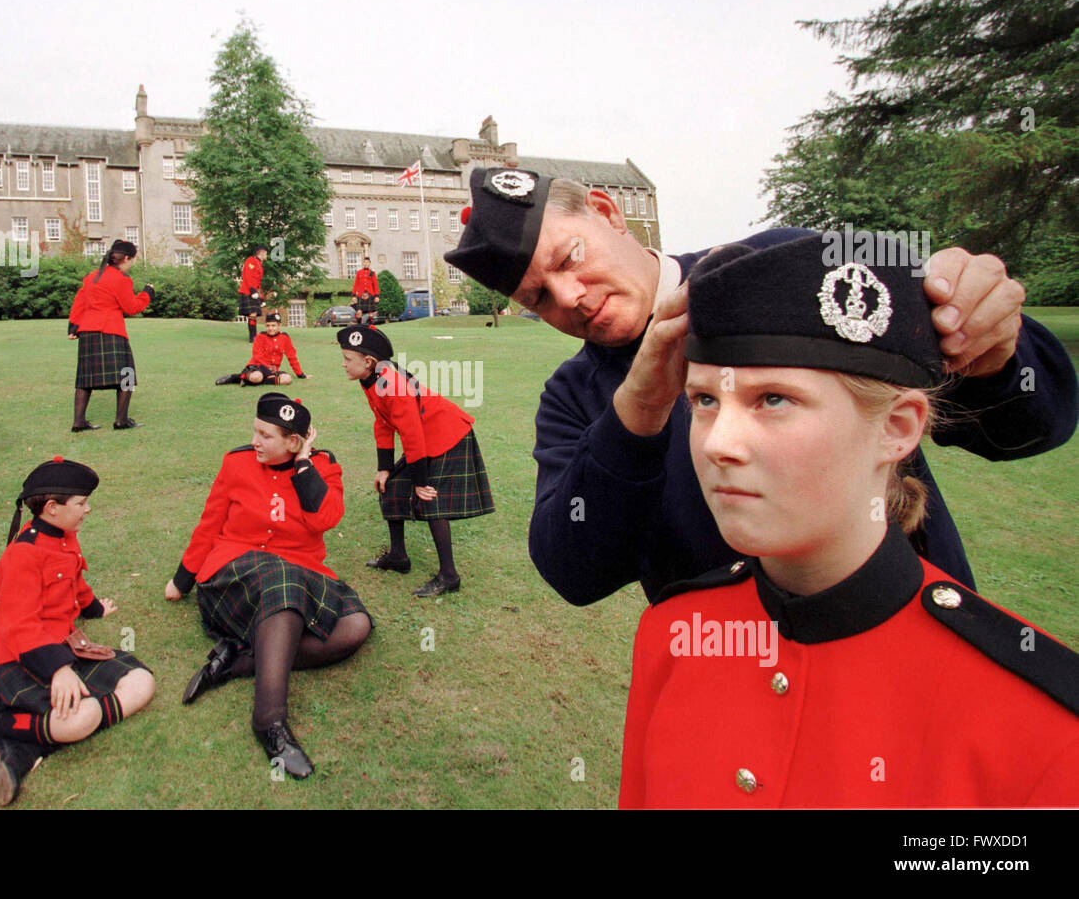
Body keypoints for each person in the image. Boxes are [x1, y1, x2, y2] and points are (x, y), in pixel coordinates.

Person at [444, 167, 1078, 605]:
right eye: (537, 298)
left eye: (567, 258)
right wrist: (637, 410)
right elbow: (572, 571)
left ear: (609, 214)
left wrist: (996, 350)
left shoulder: (787, 270)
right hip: (729, 689)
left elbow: (1028, 428)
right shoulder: (575, 396)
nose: (570, 299)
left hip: (907, 636)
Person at [618, 234, 1079, 808]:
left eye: (774, 399)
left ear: (898, 427)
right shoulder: (674, 635)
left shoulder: (1038, 721)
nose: (719, 443)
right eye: (705, 400)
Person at [0, 457, 155, 805]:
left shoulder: (63, 535)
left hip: (65, 648)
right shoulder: (21, 555)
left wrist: (95, 608)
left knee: (142, 683)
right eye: (82, 503)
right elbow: (18, 626)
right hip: (17, 657)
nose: (88, 510)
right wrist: (58, 671)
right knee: (79, 719)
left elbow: (74, 578)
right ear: (53, 508)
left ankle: (22, 741)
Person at [164, 394, 371, 779]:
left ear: (295, 441)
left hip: (300, 570)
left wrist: (304, 465)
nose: (255, 441)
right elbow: (209, 524)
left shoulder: (324, 468)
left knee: (356, 626)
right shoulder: (236, 462)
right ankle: (269, 720)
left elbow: (326, 518)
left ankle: (237, 660)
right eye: (255, 431)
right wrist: (182, 579)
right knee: (283, 579)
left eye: (266, 435)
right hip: (233, 573)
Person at [337, 325, 494, 597]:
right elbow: (382, 422)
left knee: (431, 500)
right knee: (392, 486)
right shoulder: (371, 379)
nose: (343, 364)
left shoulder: (393, 384)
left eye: (348, 359)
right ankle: (398, 557)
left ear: (368, 362)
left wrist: (421, 482)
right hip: (424, 438)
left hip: (449, 435)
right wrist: (384, 468)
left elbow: (412, 435)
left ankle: (449, 576)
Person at [67, 239, 153, 431]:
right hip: (111, 332)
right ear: (127, 258)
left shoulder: (90, 277)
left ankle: (78, 422)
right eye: (132, 261)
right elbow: (131, 307)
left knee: (85, 378)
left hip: (88, 333)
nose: (131, 265)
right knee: (127, 374)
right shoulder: (121, 280)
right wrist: (147, 294)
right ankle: (121, 420)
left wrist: (73, 327)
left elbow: (80, 302)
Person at [214, 311, 309, 386]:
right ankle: (236, 377)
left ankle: (248, 381)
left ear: (279, 326)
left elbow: (292, 357)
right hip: (257, 367)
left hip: (273, 371)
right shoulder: (260, 337)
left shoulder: (285, 338)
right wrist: (267, 371)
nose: (271, 328)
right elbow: (257, 356)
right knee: (257, 377)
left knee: (287, 379)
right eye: (268, 326)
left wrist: (301, 374)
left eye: (273, 325)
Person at [238, 245, 268, 343]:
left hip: (254, 291)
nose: (267, 256)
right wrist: (252, 291)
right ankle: (253, 337)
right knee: (252, 314)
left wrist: (261, 297)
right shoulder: (250, 261)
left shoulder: (259, 263)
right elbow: (248, 276)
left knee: (253, 314)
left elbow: (258, 282)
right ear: (261, 252)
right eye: (266, 253)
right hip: (248, 291)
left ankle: (253, 337)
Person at [351, 256, 380, 325]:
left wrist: (377, 296)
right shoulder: (359, 272)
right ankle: (359, 325)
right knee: (359, 313)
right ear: (363, 263)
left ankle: (369, 326)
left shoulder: (372, 273)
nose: (366, 264)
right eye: (364, 262)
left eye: (367, 262)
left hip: (370, 295)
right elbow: (356, 284)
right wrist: (354, 295)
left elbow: (375, 285)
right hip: (361, 295)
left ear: (369, 263)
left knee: (371, 315)